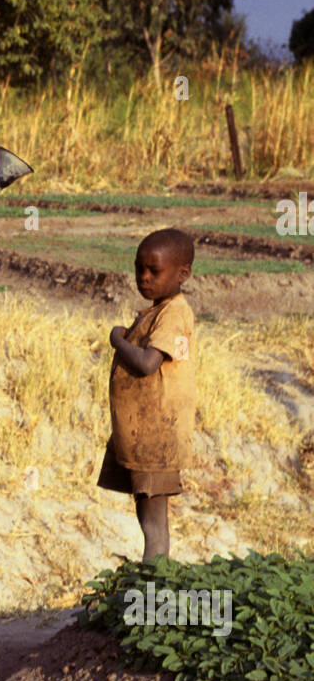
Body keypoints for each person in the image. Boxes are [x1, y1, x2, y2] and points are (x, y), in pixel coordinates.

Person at [97, 228, 196, 559]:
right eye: (139, 268)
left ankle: (153, 587)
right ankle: (152, 582)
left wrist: (118, 341)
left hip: (156, 438)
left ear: (183, 273)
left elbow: (148, 363)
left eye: (154, 270)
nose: (143, 277)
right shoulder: (158, 310)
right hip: (143, 435)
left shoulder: (174, 312)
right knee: (146, 513)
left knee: (154, 524)